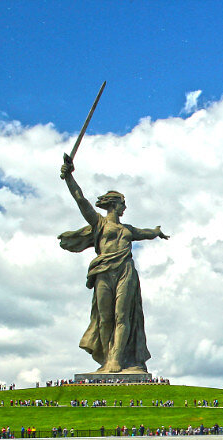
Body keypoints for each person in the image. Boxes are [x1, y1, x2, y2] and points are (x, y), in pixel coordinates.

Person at [58, 156, 169, 374]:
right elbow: (80, 200)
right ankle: (107, 359)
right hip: (103, 271)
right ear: (114, 204)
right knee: (105, 317)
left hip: (125, 270)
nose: (125, 207)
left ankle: (117, 360)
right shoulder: (99, 223)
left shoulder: (128, 229)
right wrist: (69, 176)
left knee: (122, 315)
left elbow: (146, 233)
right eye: (122, 203)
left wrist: (156, 232)